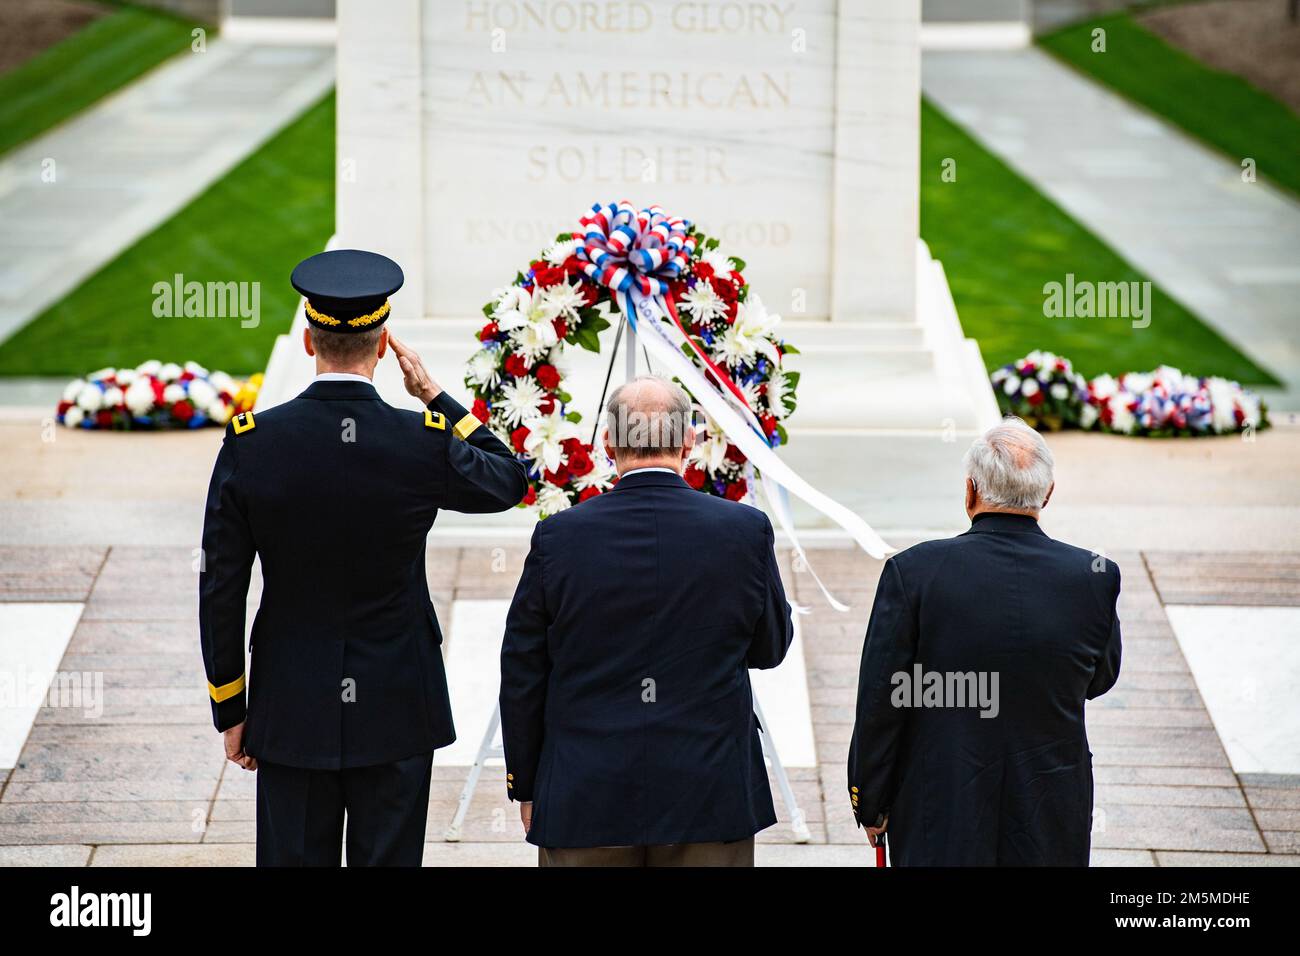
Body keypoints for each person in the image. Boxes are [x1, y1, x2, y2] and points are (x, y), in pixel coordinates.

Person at [198, 249, 527, 866]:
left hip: (291, 702)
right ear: (382, 347)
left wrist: (231, 706)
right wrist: (436, 396)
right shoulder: (422, 440)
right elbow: (509, 481)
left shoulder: (254, 444)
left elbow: (221, 585)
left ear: (306, 341)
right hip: (397, 701)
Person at [499, 375, 794, 866]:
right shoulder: (742, 531)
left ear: (609, 444)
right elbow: (770, 649)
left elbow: (523, 670)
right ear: (689, 440)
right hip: (708, 792)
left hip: (586, 794)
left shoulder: (559, 538)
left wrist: (527, 783)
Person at [847, 417, 1121, 866]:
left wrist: (870, 799)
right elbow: (1099, 678)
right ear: (1047, 493)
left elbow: (883, 699)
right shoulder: (1092, 575)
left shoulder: (914, 571)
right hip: (1049, 805)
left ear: (970, 491)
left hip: (942, 804)